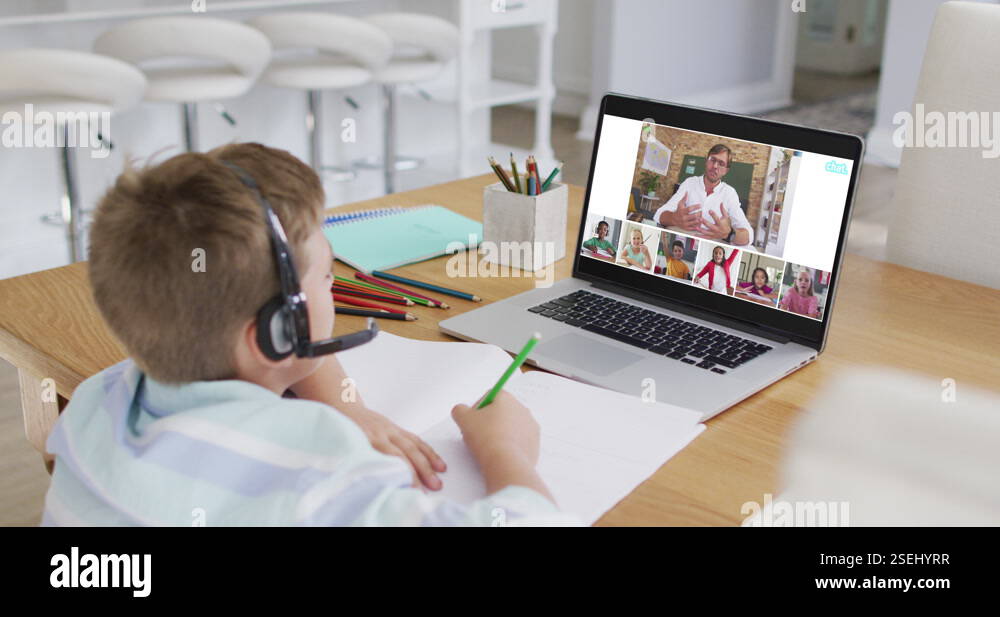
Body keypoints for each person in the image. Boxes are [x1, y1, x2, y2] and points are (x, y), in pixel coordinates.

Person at [42, 143, 560, 526]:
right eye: (328, 276)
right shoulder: (318, 467)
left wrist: (348, 404)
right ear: (275, 330)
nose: (335, 285)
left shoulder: (98, 402)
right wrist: (507, 451)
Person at [652, 144, 754, 246]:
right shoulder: (689, 183)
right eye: (712, 160)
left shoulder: (729, 193)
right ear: (706, 161)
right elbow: (659, 214)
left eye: (721, 163)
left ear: (726, 170)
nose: (715, 166)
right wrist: (674, 218)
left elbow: (749, 236)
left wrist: (729, 234)